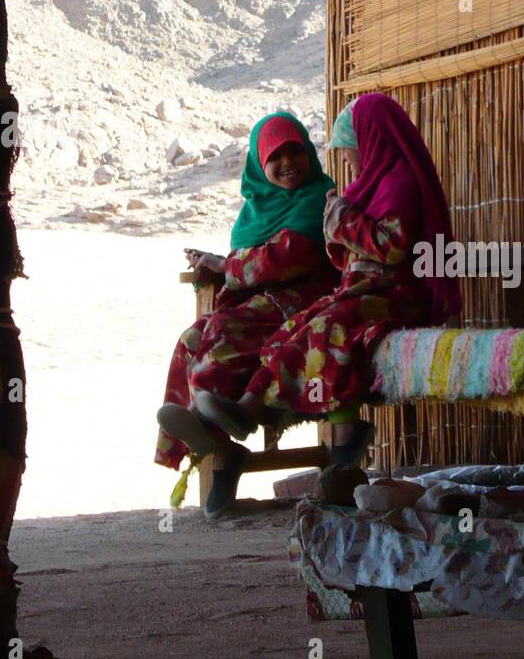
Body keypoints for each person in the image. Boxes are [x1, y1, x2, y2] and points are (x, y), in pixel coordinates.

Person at [194, 93, 461, 506]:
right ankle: (247, 411)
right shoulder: (370, 185)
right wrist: (340, 225)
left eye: (350, 149)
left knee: (325, 327)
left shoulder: (400, 183)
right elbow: (347, 254)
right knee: (299, 326)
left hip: (400, 297)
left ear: (370, 139)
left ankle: (316, 431)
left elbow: (392, 249)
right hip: (364, 293)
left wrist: (343, 220)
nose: (350, 160)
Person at [155, 111, 338, 517]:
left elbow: (285, 257)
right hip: (258, 305)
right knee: (190, 340)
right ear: (259, 164)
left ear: (309, 152)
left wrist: (227, 266)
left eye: (296, 151)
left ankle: (214, 431)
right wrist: (224, 266)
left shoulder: (318, 198)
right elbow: (248, 260)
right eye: (276, 156)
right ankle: (220, 447)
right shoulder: (254, 209)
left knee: (220, 330)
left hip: (303, 307)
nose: (288, 163)